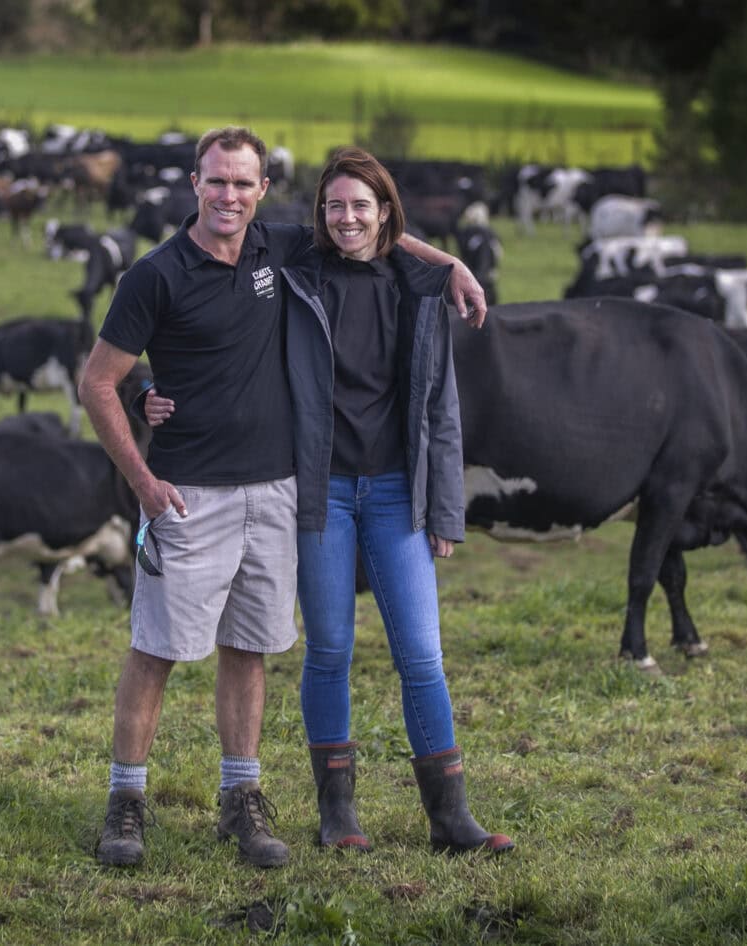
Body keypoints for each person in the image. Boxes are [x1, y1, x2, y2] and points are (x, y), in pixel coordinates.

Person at [79, 127, 486, 869]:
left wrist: (451, 261)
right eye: (216, 182)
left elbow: (371, 229)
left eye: (243, 183)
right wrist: (143, 468)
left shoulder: (279, 249)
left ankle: (245, 801)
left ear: (263, 190)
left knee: (253, 647)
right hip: (197, 493)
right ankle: (126, 805)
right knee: (157, 649)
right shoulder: (155, 274)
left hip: (276, 492)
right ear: (193, 184)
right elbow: (98, 380)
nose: (229, 196)